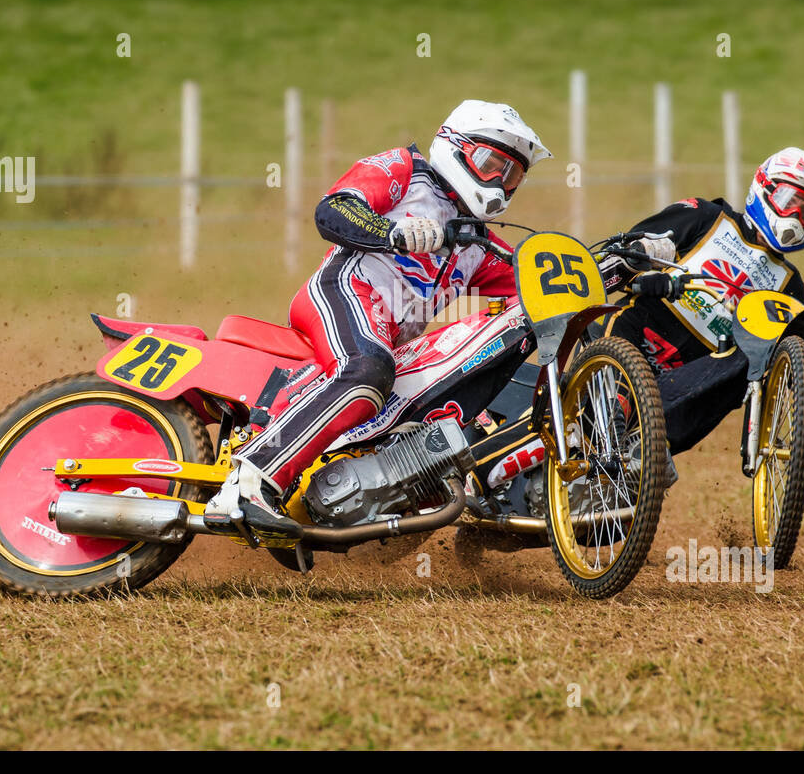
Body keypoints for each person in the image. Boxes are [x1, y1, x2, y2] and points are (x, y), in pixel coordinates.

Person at [207, 100, 556, 537]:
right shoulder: (406, 170)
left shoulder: (475, 243)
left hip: (389, 338)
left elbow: (537, 287)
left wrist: (629, 258)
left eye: (512, 175)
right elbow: (333, 210)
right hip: (344, 291)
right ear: (455, 146)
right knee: (366, 371)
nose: (499, 183)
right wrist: (391, 233)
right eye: (491, 164)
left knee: (428, 399)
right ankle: (246, 484)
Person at [597, 147, 804, 478]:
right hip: (635, 334)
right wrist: (644, 274)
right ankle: (612, 413)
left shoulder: (789, 285)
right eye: (789, 201)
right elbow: (625, 252)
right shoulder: (705, 217)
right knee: (623, 350)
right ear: (764, 188)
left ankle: (649, 446)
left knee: (750, 364)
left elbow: (795, 376)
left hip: (696, 378)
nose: (795, 218)